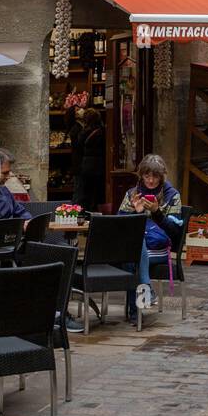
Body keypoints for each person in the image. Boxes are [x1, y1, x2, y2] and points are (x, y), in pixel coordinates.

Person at [118, 154, 183, 319]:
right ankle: (141, 303)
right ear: (141, 175)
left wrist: (156, 212)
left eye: (155, 176)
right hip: (137, 246)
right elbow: (118, 224)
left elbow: (175, 231)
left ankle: (135, 312)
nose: (151, 180)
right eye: (147, 176)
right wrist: (136, 213)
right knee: (133, 253)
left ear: (162, 177)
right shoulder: (133, 194)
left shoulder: (172, 195)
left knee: (132, 256)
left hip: (160, 247)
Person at [76, 108, 106, 213]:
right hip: (99, 165)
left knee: (86, 192)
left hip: (86, 165)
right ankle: (96, 212)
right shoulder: (103, 131)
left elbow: (78, 147)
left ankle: (85, 213)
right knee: (97, 192)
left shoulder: (84, 132)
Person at [64, 106, 85, 205]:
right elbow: (79, 146)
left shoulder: (80, 126)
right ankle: (74, 212)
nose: (81, 110)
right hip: (79, 164)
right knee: (79, 191)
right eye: (77, 110)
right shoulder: (76, 128)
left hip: (79, 163)